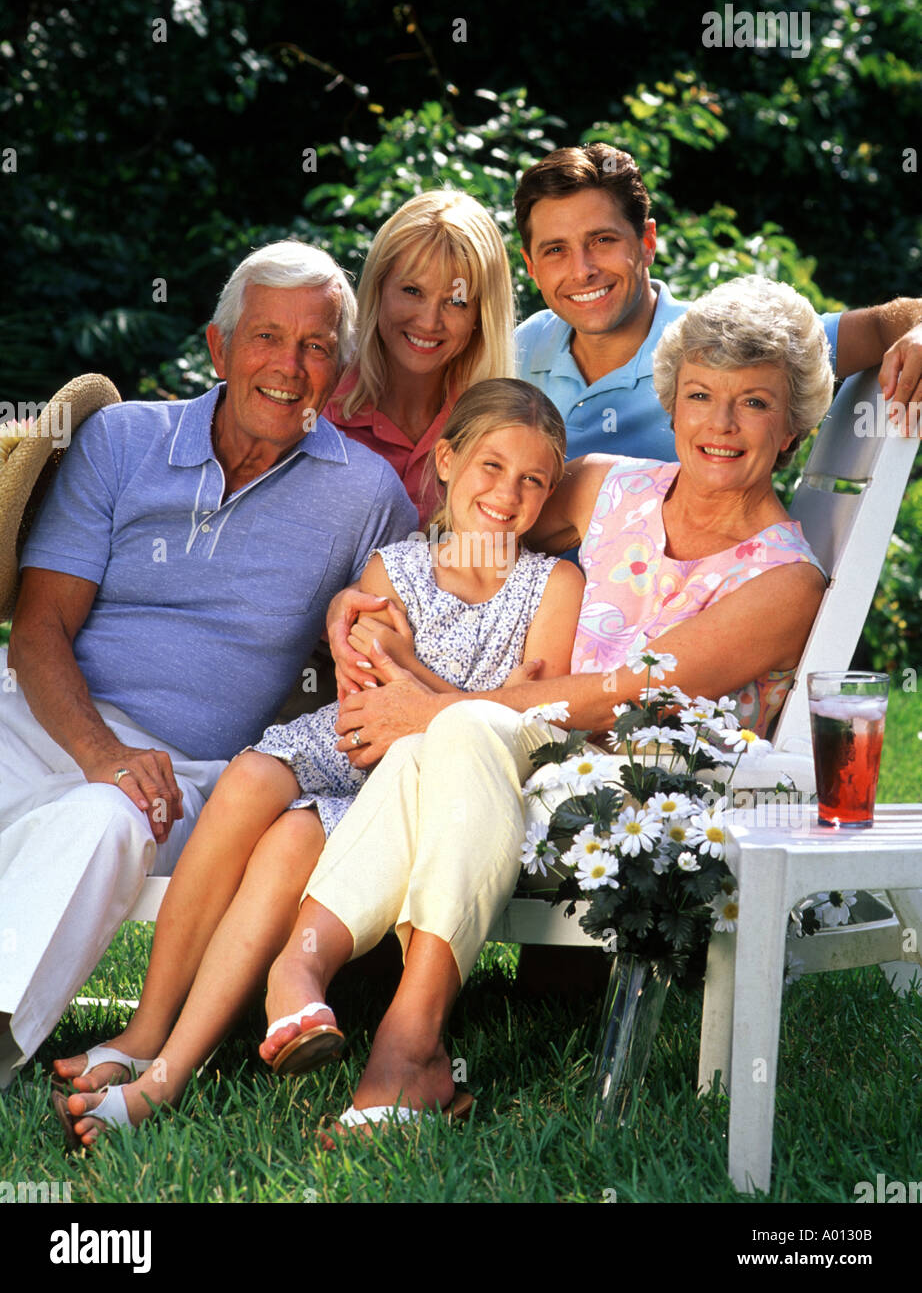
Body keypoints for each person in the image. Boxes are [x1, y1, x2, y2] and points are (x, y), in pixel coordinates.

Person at [250, 275, 836, 1133]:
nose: (720, 423)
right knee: (435, 746)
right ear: (671, 402)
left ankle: (404, 1037)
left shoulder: (785, 581)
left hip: (650, 782)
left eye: (753, 404)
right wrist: (365, 603)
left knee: (443, 737)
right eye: (701, 395)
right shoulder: (608, 488)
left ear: (792, 428)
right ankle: (326, 990)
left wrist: (440, 707)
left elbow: (628, 693)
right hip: (515, 754)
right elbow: (471, 532)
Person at [55, 380, 585, 1143]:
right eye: (492, 467)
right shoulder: (393, 570)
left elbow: (510, 723)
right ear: (446, 460)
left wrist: (411, 666)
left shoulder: (553, 584)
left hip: (415, 790)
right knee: (248, 780)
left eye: (535, 480)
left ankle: (171, 1070)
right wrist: (416, 677)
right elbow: (378, 704)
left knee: (288, 843)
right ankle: (145, 1029)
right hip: (348, 747)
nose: (508, 494)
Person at [0, 240, 417, 1090]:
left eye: (314, 346)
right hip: (46, 714)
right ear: (218, 348)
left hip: (189, 771)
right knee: (95, 793)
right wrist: (100, 753)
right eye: (266, 337)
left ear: (339, 368)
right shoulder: (121, 440)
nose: (289, 366)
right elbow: (38, 627)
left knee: (107, 822)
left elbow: (405, 635)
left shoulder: (367, 495)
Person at [513, 143, 922, 460]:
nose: (582, 270)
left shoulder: (724, 341)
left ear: (647, 243)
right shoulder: (523, 347)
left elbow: (881, 327)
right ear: (530, 265)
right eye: (555, 251)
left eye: (602, 240)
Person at [324, 189, 515, 526]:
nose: (429, 321)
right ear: (378, 288)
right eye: (412, 291)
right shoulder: (317, 403)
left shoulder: (502, 432)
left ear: (481, 316)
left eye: (456, 302)